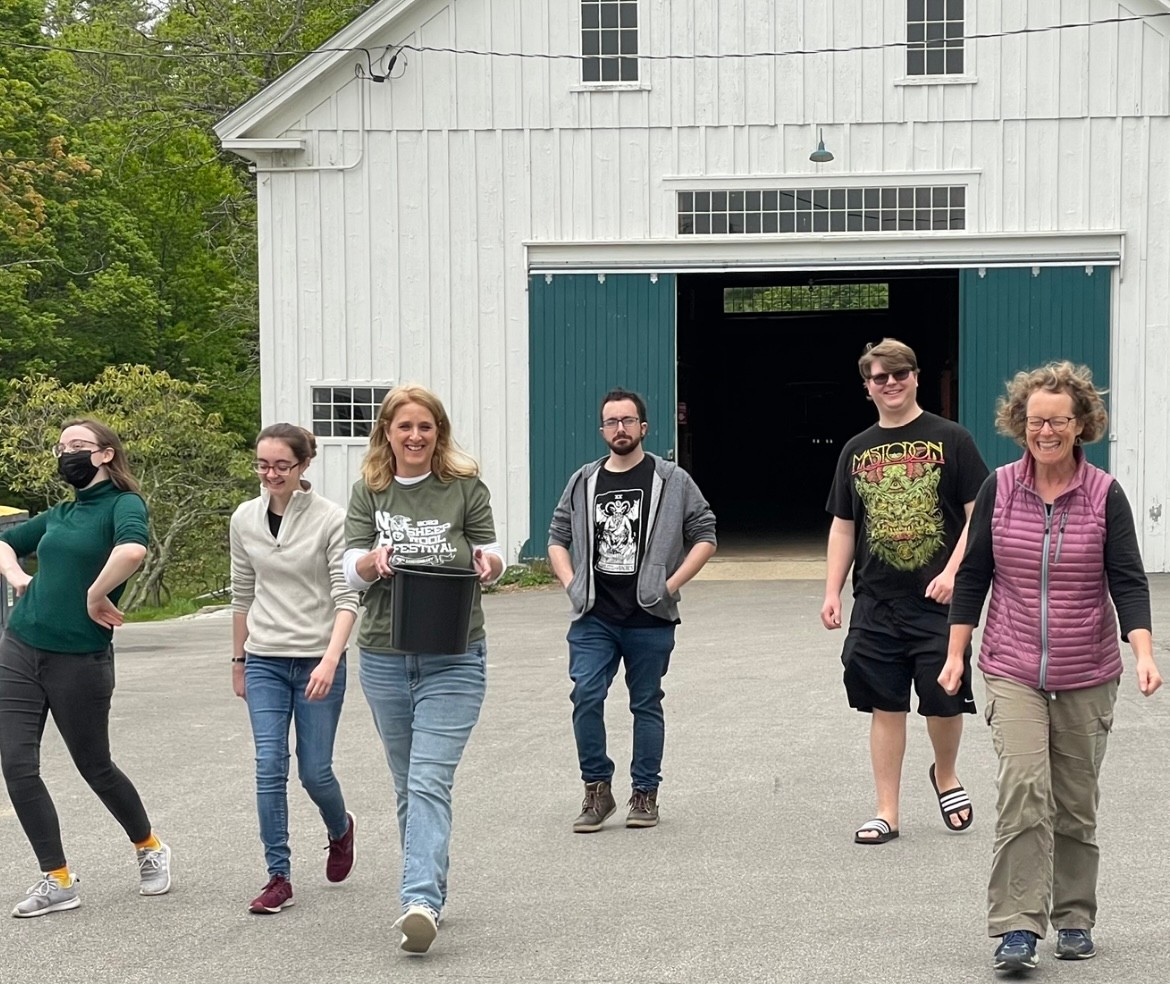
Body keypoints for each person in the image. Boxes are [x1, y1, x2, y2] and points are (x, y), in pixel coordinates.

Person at [939, 361, 1161, 974]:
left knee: (1074, 800)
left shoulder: (1104, 494)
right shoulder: (1000, 488)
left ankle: (1073, 917)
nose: (1046, 432)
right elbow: (974, 575)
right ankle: (1016, 925)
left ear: (1081, 424)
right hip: (1011, 665)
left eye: (1058, 421)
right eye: (1036, 421)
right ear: (1021, 423)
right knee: (1023, 789)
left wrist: (1142, 652)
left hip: (1088, 669)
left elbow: (1128, 581)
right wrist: (956, 655)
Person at [343, 383, 503, 955]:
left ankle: (418, 901)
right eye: (404, 427)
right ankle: (430, 885)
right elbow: (351, 570)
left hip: (455, 655)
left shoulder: (463, 488)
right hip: (385, 654)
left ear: (440, 433)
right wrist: (372, 560)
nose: (415, 436)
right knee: (407, 784)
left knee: (428, 778)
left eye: (425, 427)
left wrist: (490, 562)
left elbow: (492, 552)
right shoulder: (370, 491)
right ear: (386, 431)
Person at [0, 418, 172, 917]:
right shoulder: (59, 513)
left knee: (94, 765)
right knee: (16, 765)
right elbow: (6, 541)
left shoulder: (124, 505)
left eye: (78, 445)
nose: (67, 453)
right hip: (21, 646)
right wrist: (15, 573)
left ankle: (148, 846)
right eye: (61, 447)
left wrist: (96, 591)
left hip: (80, 656)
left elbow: (133, 549)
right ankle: (56, 879)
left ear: (104, 455)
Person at [821, 339, 988, 845]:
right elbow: (844, 525)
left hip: (937, 600)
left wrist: (954, 572)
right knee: (884, 703)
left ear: (915, 377)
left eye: (899, 374)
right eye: (879, 377)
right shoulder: (856, 449)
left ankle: (946, 773)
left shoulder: (951, 439)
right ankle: (887, 812)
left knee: (944, 697)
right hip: (876, 602)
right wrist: (832, 591)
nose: (890, 384)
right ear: (867, 387)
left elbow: (977, 513)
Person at [548, 387, 717, 833]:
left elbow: (705, 534)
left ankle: (645, 792)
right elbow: (556, 535)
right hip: (594, 616)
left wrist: (670, 584)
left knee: (645, 703)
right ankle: (597, 789)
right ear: (602, 429)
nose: (619, 429)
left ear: (643, 427)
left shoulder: (671, 479)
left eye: (627, 421)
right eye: (611, 422)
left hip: (649, 617)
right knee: (586, 696)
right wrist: (571, 583)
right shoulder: (584, 480)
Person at [230, 424, 360, 914]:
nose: (271, 474)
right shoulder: (244, 518)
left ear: (304, 465)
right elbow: (242, 593)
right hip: (264, 657)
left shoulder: (331, 519)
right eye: (263, 465)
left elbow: (348, 597)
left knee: (314, 771)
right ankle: (278, 876)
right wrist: (239, 660)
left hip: (316, 659)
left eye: (281, 465)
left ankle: (340, 827)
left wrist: (330, 658)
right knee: (268, 765)